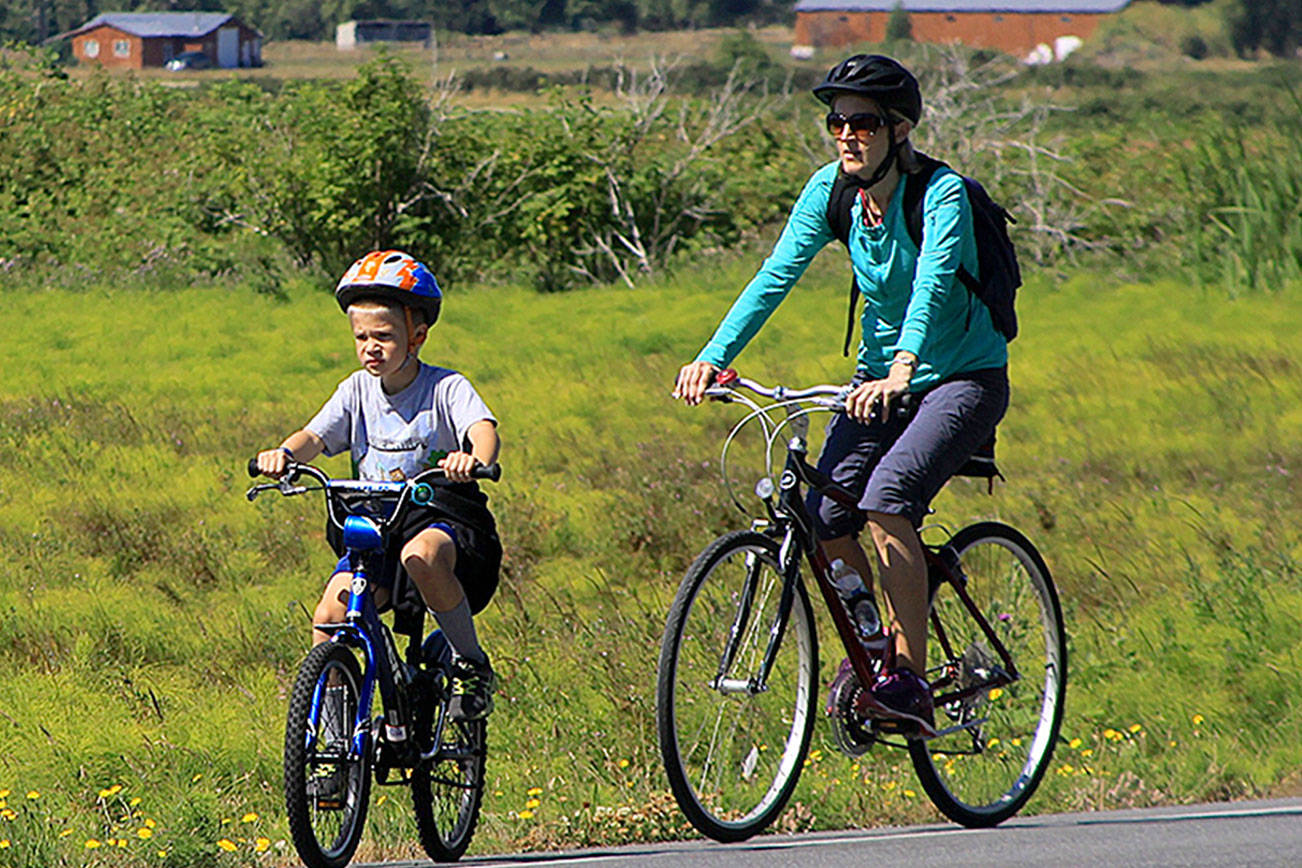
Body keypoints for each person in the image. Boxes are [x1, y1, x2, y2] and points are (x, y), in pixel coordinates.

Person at [674, 55, 1009, 731]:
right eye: (836, 122)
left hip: (962, 379)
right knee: (825, 517)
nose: (847, 135)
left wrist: (904, 367)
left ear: (899, 129)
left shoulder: (939, 195)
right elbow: (774, 276)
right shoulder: (832, 193)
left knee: (886, 502)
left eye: (862, 122)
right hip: (877, 381)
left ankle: (909, 681)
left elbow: (933, 284)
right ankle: (876, 653)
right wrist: (713, 357)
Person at [256, 249, 502, 723]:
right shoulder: (354, 390)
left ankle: (471, 664)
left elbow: (483, 428)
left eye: (384, 337)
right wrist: (284, 455)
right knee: (329, 616)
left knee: (421, 556)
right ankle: (330, 739)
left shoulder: (446, 387)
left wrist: (474, 460)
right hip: (376, 523)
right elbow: (314, 437)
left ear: (418, 336)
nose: (371, 347)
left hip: (441, 516)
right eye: (361, 337)